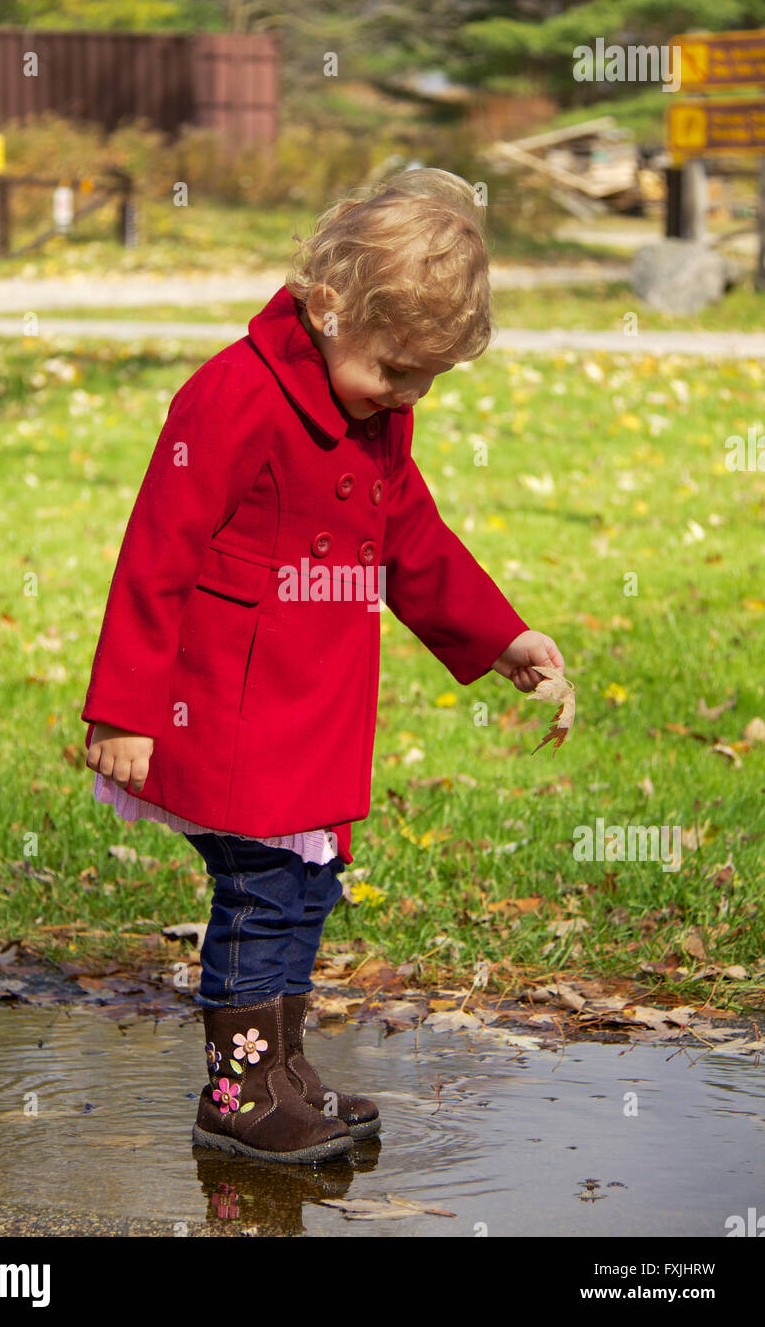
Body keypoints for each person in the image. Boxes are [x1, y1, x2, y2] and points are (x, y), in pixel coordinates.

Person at [81, 167, 565, 1163]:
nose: (407, 395)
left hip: (315, 709)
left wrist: (499, 635)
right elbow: (156, 550)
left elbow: (411, 539)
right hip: (230, 706)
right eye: (395, 369)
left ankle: (282, 1071)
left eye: (426, 380)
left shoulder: (373, 410)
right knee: (260, 889)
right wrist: (124, 710)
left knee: (306, 888)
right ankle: (237, 1093)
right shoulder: (233, 395)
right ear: (328, 303)